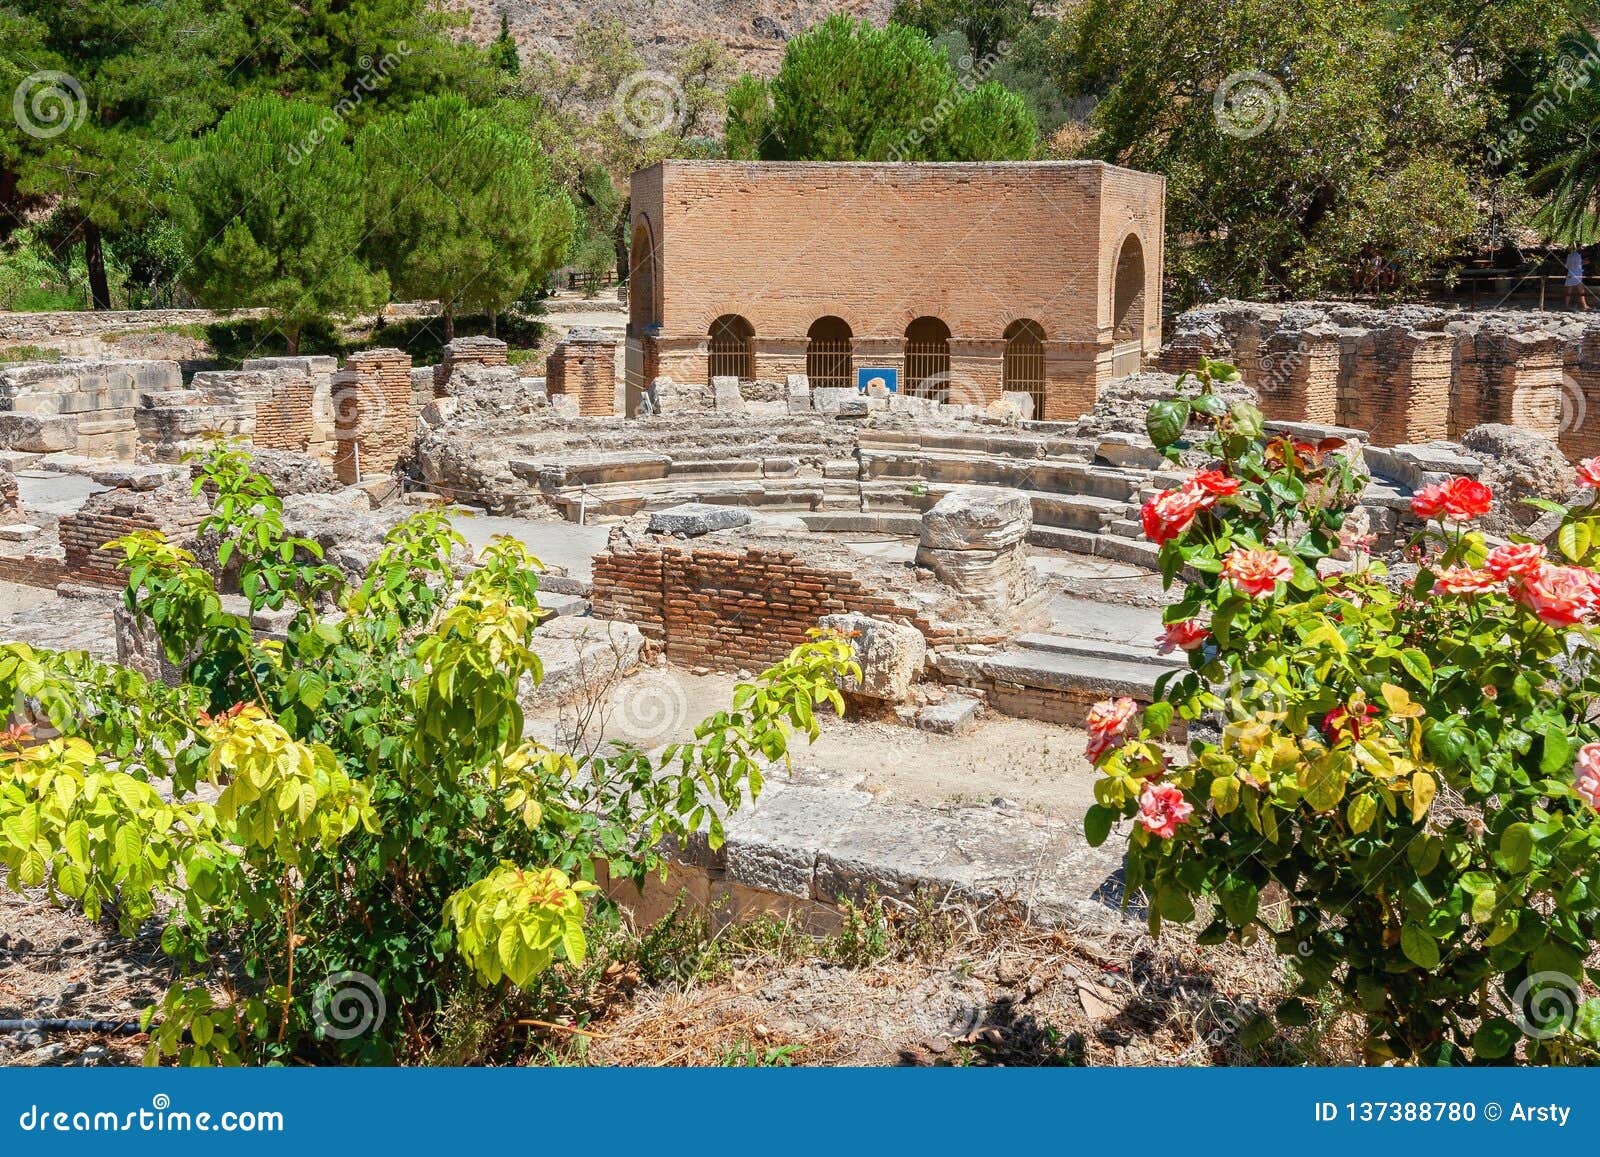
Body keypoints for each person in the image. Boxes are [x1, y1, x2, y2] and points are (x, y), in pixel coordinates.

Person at [1566, 247, 1590, 311]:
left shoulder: (1569, 255)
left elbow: (1567, 265)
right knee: (1581, 291)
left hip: (1570, 274)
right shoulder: (1578, 256)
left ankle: (1566, 305)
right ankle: (1585, 306)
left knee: (1569, 292)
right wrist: (1586, 262)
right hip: (1577, 275)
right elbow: (1579, 264)